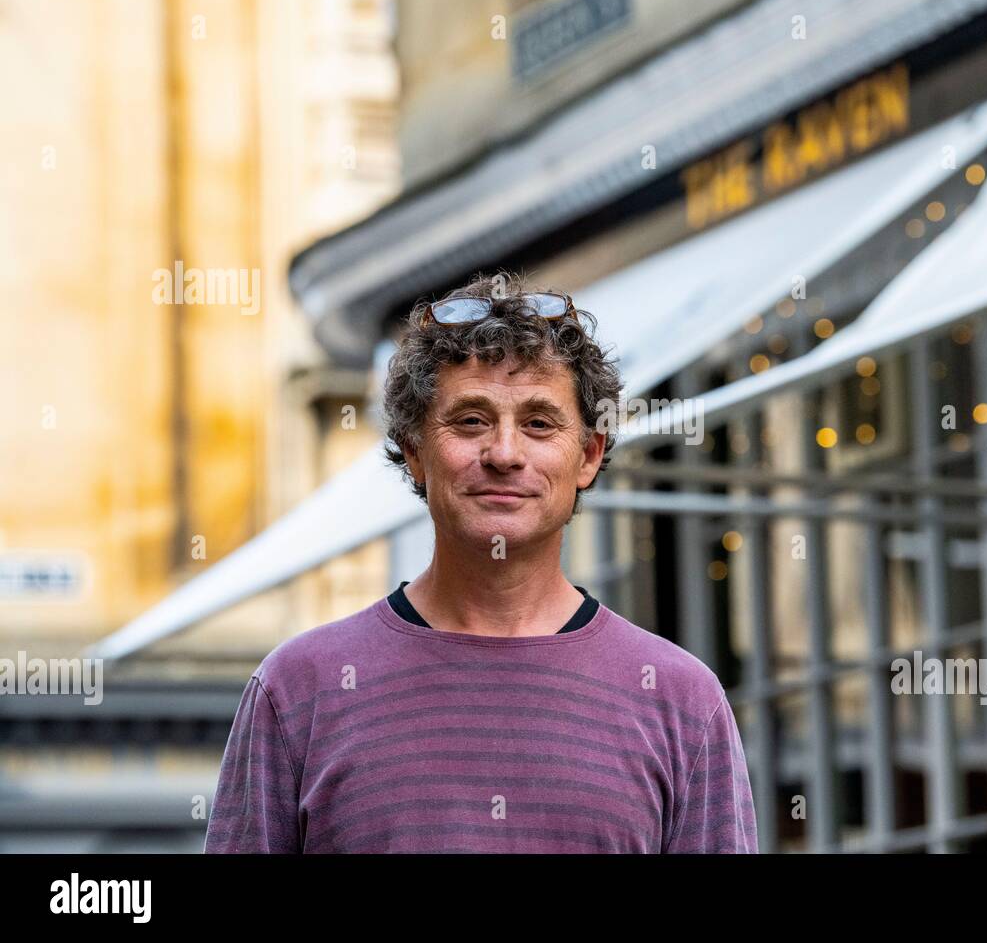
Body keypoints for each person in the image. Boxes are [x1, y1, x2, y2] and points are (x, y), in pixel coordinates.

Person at [204, 270, 758, 853]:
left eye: (539, 424)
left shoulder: (681, 703)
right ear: (415, 450)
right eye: (471, 420)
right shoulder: (297, 691)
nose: (504, 454)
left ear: (589, 456)